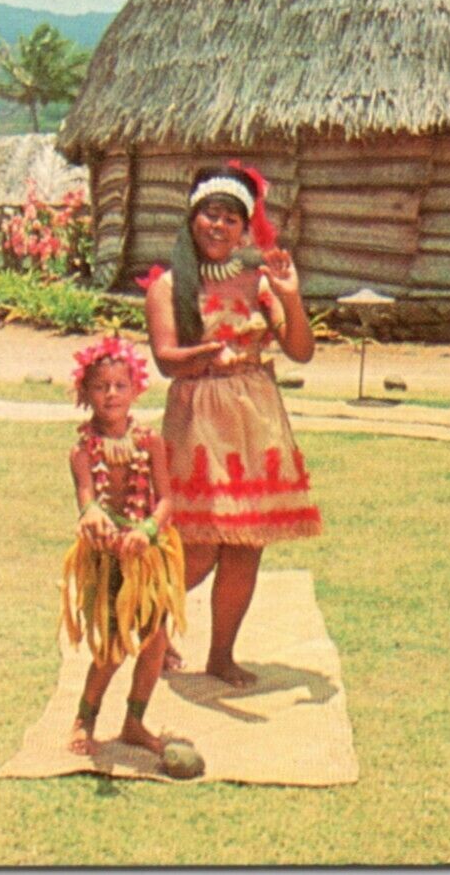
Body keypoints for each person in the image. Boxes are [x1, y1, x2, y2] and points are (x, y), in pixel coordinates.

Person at [143, 162, 320, 687]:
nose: (218, 226)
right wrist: (209, 353)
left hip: (254, 420)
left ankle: (221, 654)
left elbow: (301, 350)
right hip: (197, 419)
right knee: (199, 544)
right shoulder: (168, 286)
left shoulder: (260, 283)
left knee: (246, 543)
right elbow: (166, 360)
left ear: (244, 229)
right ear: (192, 219)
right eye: (209, 215)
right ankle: (150, 621)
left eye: (230, 219)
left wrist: (291, 295)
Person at [60, 336, 186, 756]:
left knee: (154, 642)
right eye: (100, 386)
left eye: (120, 385)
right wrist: (92, 515)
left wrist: (147, 530)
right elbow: (86, 497)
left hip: (146, 554)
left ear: (136, 389)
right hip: (108, 556)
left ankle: (135, 721)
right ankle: (85, 718)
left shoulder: (149, 441)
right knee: (113, 647)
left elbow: (166, 501)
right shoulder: (82, 450)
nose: (111, 394)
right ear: (84, 392)